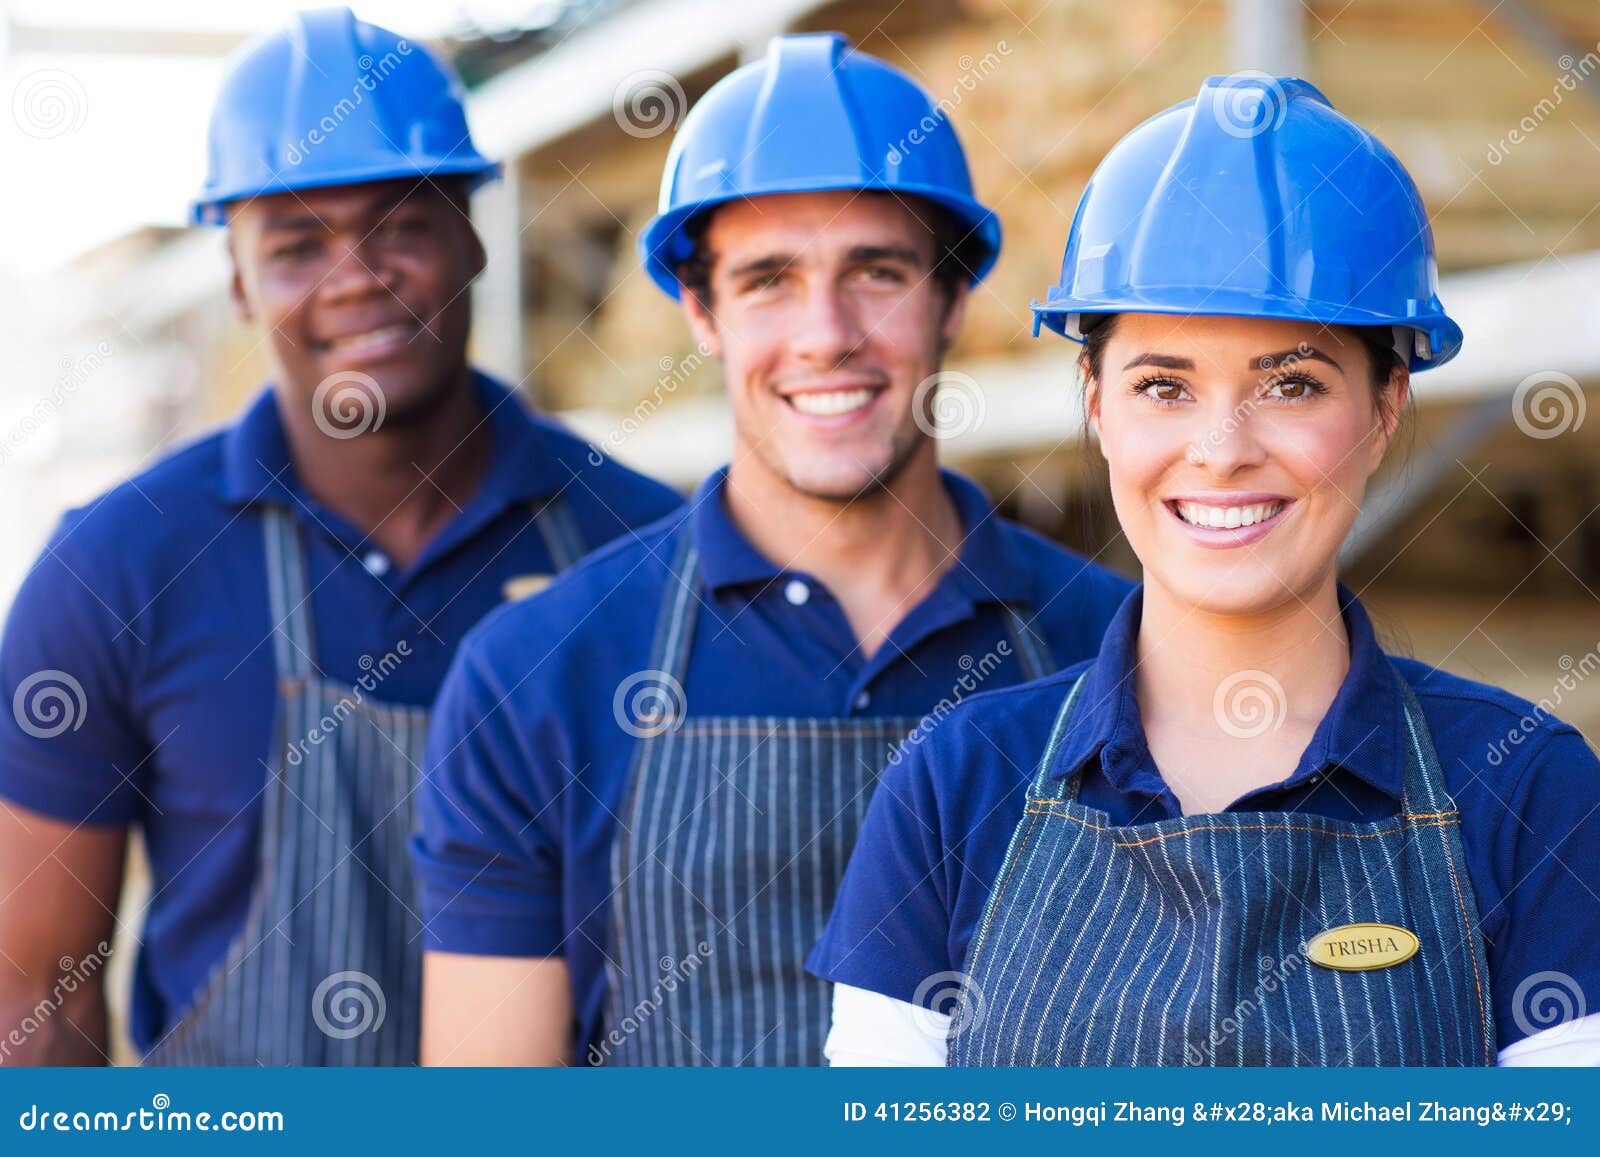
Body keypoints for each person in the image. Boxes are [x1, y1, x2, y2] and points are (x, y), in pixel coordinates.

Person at [809, 74, 1600, 1067]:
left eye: (1291, 383)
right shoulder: (956, 782)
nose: (1221, 450)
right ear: (1095, 401)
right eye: (1163, 386)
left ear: (1386, 403)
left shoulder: (1529, 792)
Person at [412, 32, 1132, 1067]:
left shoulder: (1112, 652)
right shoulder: (539, 673)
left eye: (875, 272)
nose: (825, 333)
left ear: (953, 299)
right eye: (768, 281)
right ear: (700, 311)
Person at [0, 8, 681, 1067]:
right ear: (236, 280)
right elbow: (36, 994)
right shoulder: (117, 568)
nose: (354, 276)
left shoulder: (640, 547)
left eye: (399, 223)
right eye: (296, 246)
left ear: (470, 231)